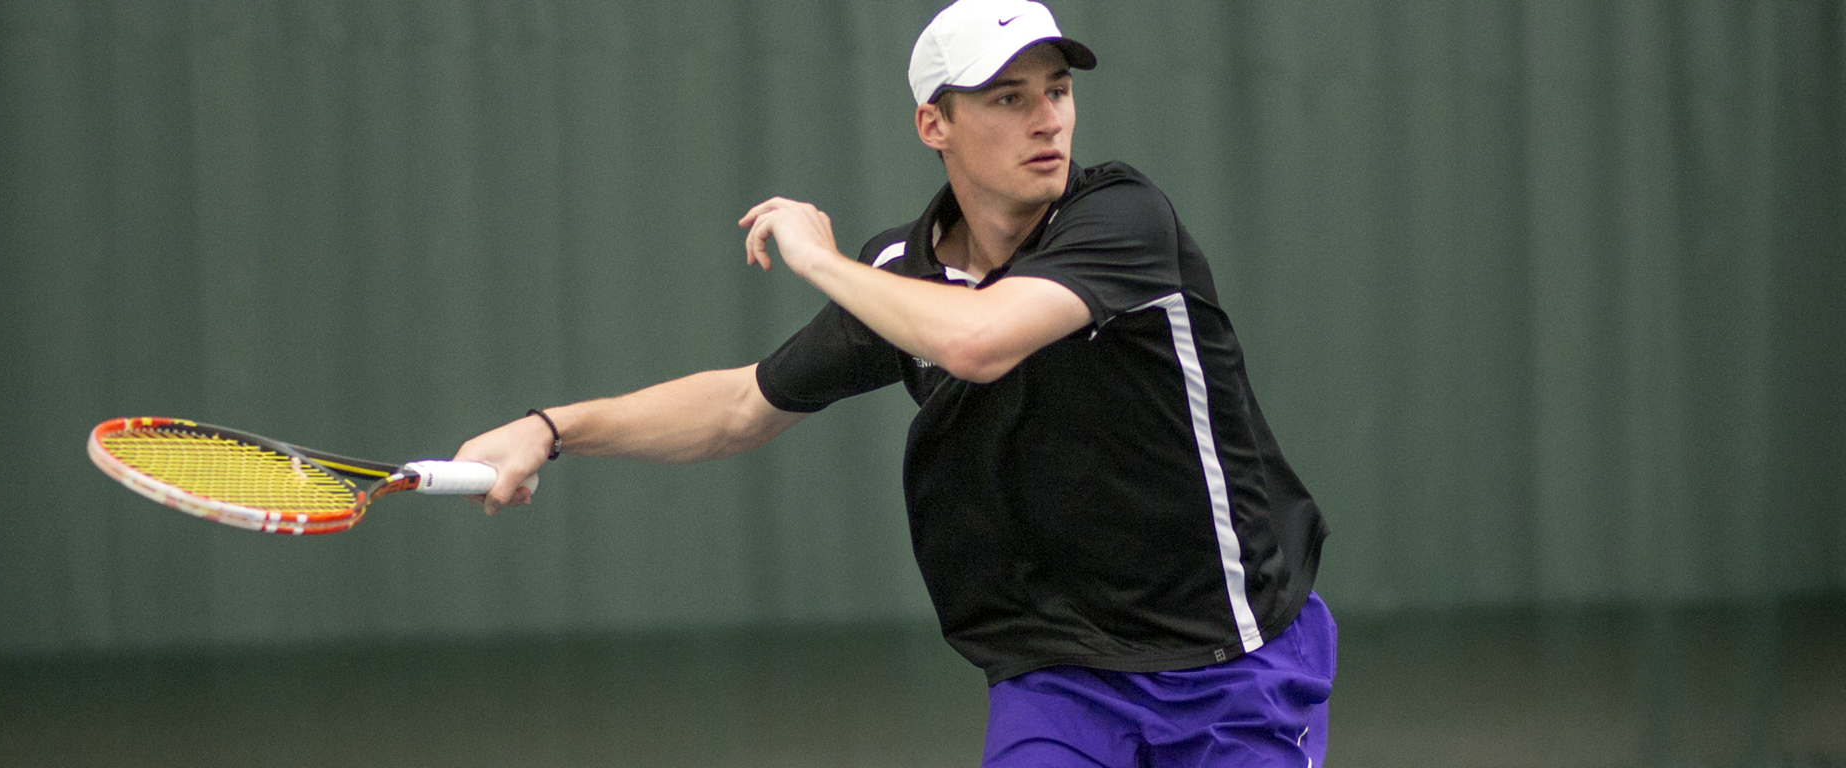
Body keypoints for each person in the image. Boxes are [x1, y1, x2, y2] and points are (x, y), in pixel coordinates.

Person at [454, 1, 1333, 765]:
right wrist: (551, 427)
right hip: (1061, 669)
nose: (1048, 120)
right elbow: (739, 407)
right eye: (1007, 98)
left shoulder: (1124, 219)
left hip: (1233, 658)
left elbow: (980, 342)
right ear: (933, 124)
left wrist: (818, 260)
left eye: (1057, 89)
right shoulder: (902, 274)